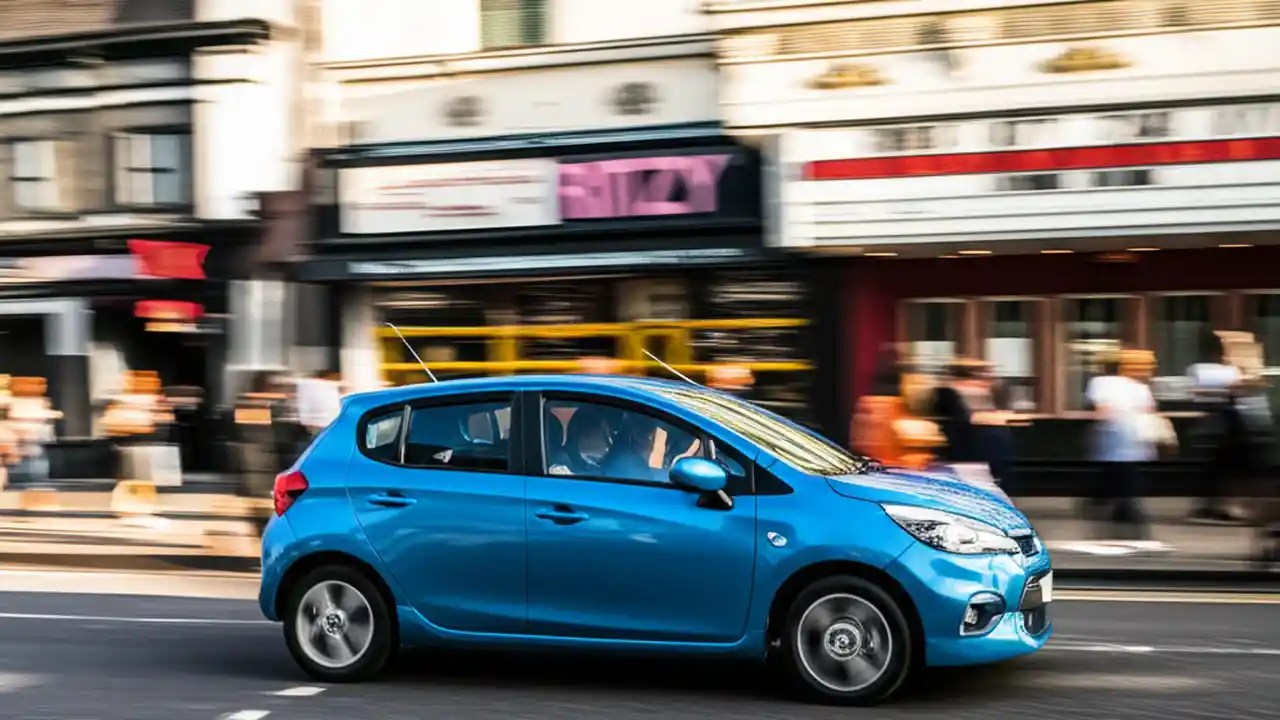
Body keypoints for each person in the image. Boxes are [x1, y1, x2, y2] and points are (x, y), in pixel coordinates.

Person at [1086, 350, 1165, 545]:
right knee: (1126, 482)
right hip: (1133, 443)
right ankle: (1126, 516)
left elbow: (1101, 410)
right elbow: (1150, 413)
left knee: (1117, 480)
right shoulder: (1140, 388)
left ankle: (1115, 510)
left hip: (1115, 443)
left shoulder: (1101, 383)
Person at [850, 347, 940, 470]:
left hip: (873, 468)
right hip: (895, 469)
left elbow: (857, 443)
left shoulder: (865, 404)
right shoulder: (895, 406)